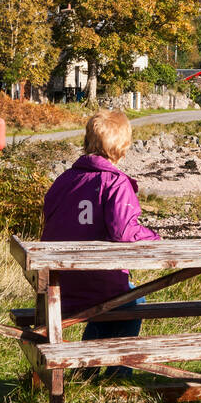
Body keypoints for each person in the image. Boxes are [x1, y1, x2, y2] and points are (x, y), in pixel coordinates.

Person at [41, 110, 159, 378]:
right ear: (122, 147)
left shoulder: (64, 180)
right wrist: (154, 238)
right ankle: (118, 373)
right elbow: (124, 233)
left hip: (61, 283)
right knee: (132, 300)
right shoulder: (115, 183)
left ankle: (88, 369)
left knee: (112, 302)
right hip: (97, 282)